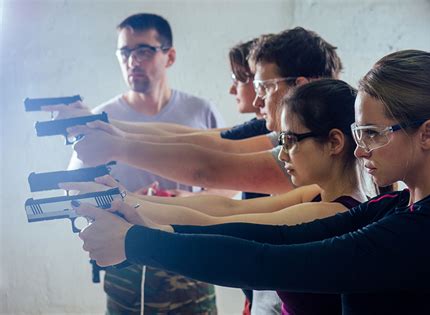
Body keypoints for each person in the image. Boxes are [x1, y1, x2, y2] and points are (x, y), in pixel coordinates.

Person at [76, 50, 430, 315]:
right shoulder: (399, 206)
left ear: (428, 134)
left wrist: (136, 242)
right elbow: (276, 239)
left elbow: (273, 263)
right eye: (359, 134)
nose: (360, 150)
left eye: (373, 134)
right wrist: (141, 220)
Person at [65, 79, 364, 314]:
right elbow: (223, 207)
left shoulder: (332, 214)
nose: (282, 153)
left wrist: (126, 205)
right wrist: (123, 197)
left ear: (334, 142)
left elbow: (217, 223)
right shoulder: (315, 195)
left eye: (290, 140)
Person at [68, 13, 225, 315]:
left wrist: (193, 200)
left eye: (143, 50)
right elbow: (75, 191)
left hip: (192, 252)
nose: (132, 61)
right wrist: (124, 202)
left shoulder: (200, 112)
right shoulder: (100, 120)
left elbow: (232, 183)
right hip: (128, 260)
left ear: (170, 55)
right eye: (125, 52)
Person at [67, 27, 343, 195]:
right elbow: (198, 139)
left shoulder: (313, 147)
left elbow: (209, 168)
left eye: (264, 87)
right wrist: (108, 128)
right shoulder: (290, 137)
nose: (258, 101)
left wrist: (118, 148)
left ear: (300, 86)